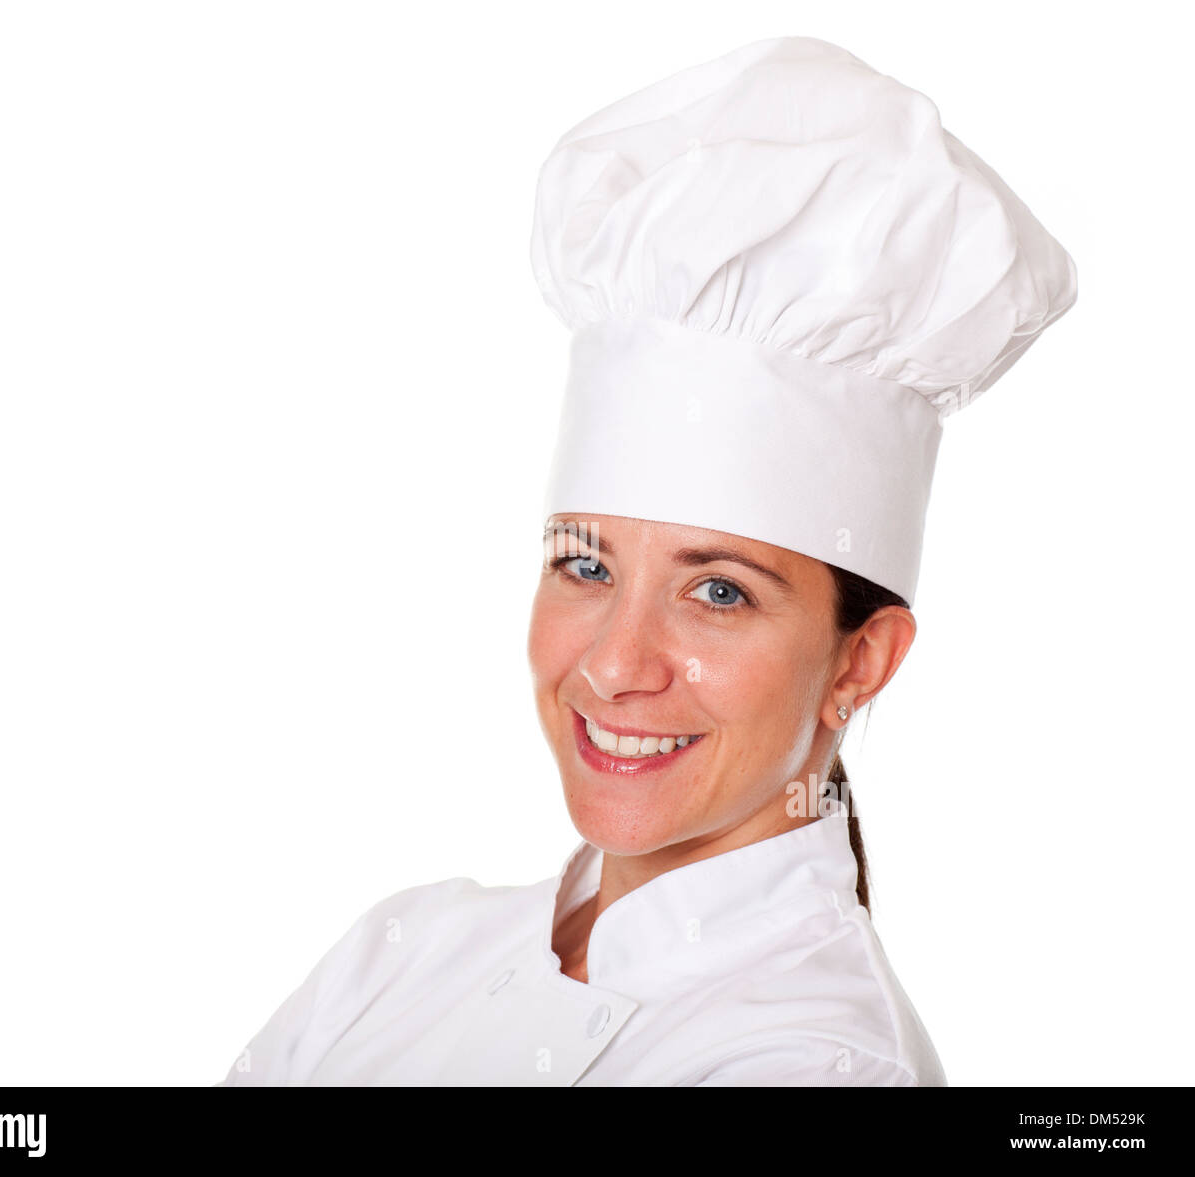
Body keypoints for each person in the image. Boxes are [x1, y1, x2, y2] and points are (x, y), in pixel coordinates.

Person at [216, 34, 1076, 1087]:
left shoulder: (813, 1062)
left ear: (860, 662)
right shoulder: (408, 950)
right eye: (585, 566)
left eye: (717, 591)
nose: (616, 663)